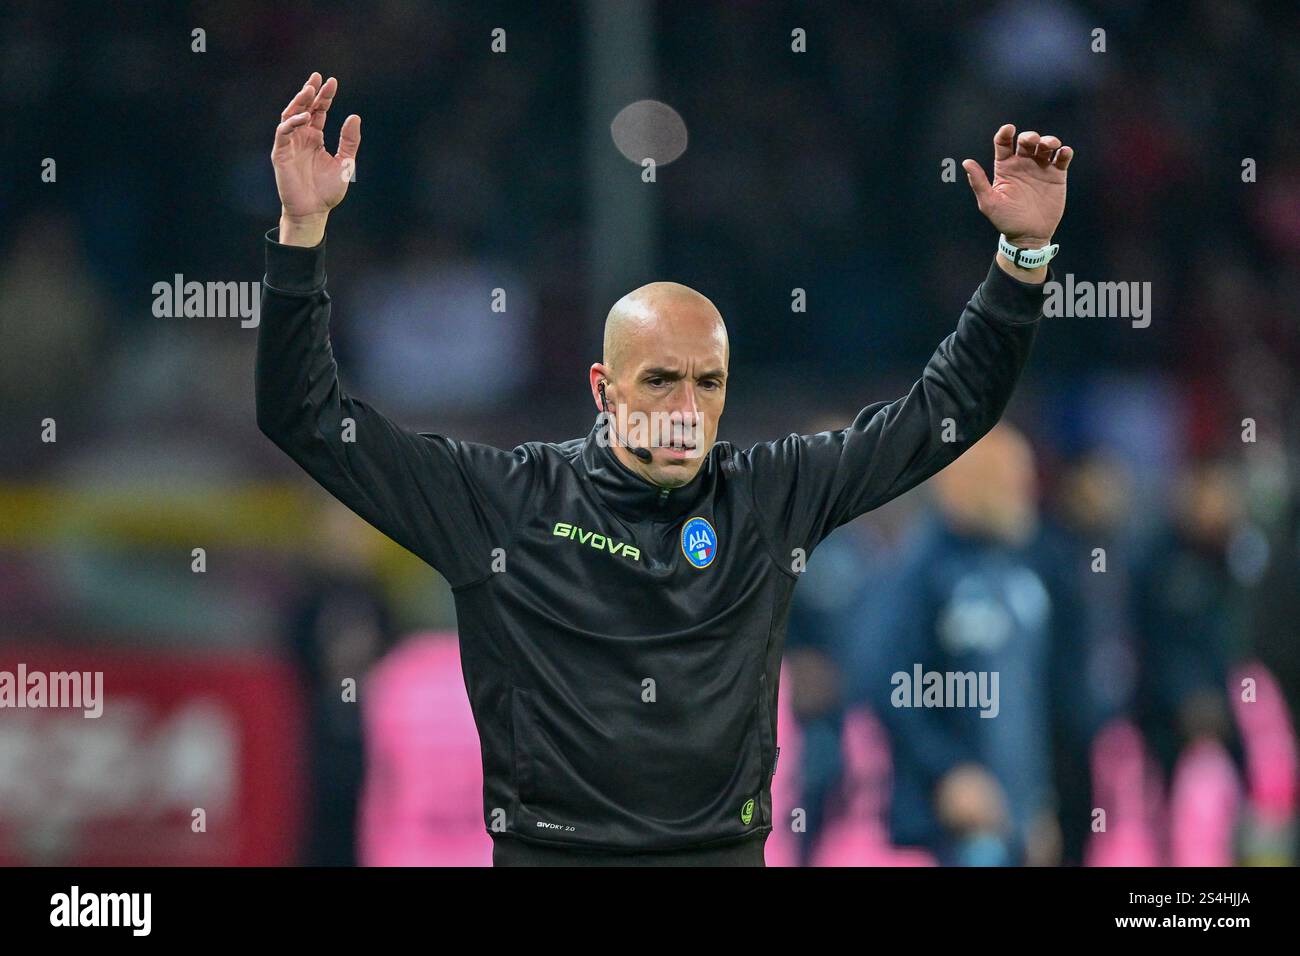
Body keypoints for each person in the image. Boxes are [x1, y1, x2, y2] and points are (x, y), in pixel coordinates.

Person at [256, 71, 1071, 865]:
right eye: (659, 378)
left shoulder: (768, 497)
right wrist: (301, 234)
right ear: (602, 390)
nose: (686, 403)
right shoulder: (507, 501)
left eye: (708, 381)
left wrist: (1022, 258)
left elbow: (944, 413)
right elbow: (306, 417)